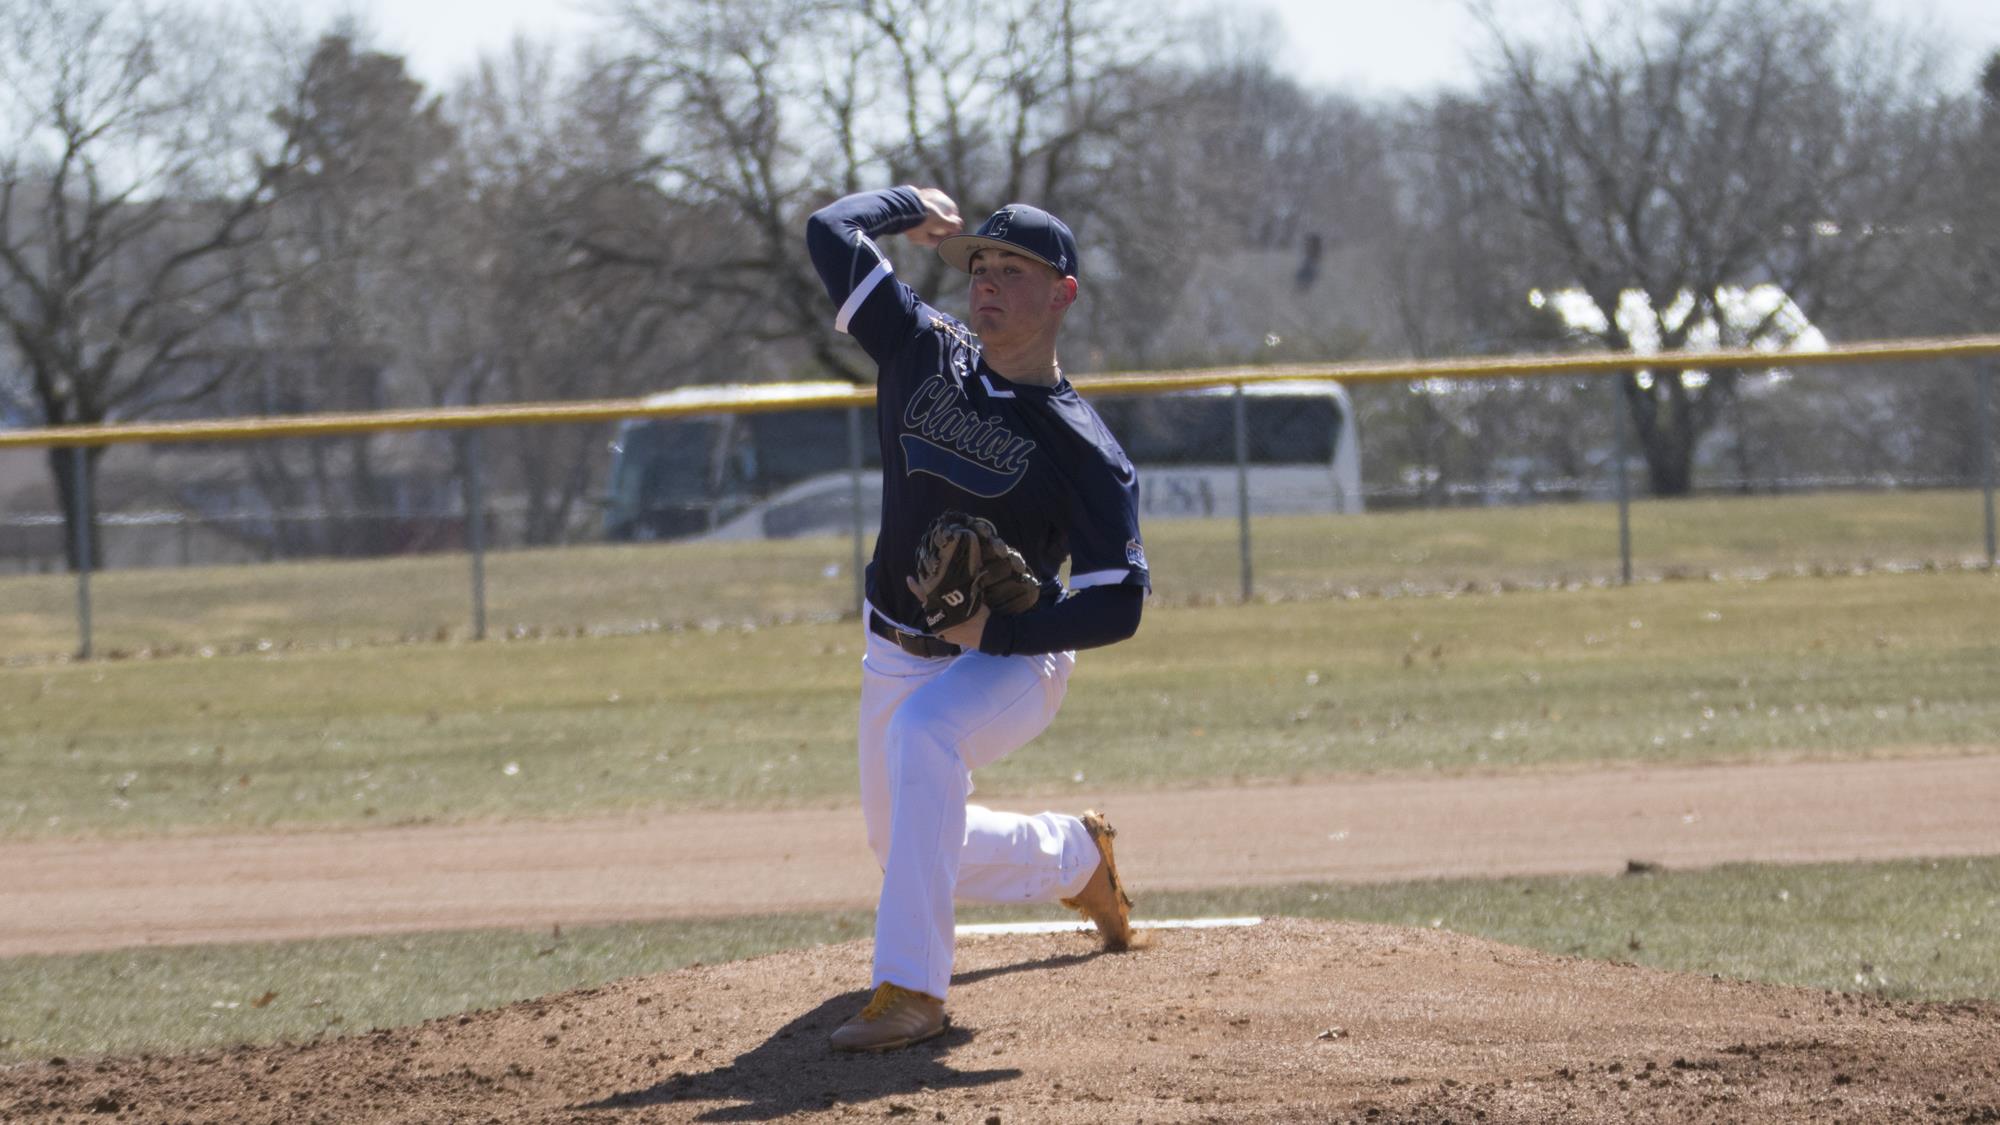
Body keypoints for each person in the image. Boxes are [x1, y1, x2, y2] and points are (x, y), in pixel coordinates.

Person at [805, 186, 1151, 1052]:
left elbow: (1119, 602)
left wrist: (1000, 634)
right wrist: (906, 205)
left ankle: (912, 992)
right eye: (980, 267)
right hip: (893, 644)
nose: (986, 283)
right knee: (906, 844)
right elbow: (827, 231)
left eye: (1013, 270)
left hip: (1013, 661)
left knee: (926, 736)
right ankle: (1078, 858)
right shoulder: (921, 347)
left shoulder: (1084, 450)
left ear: (1063, 293)